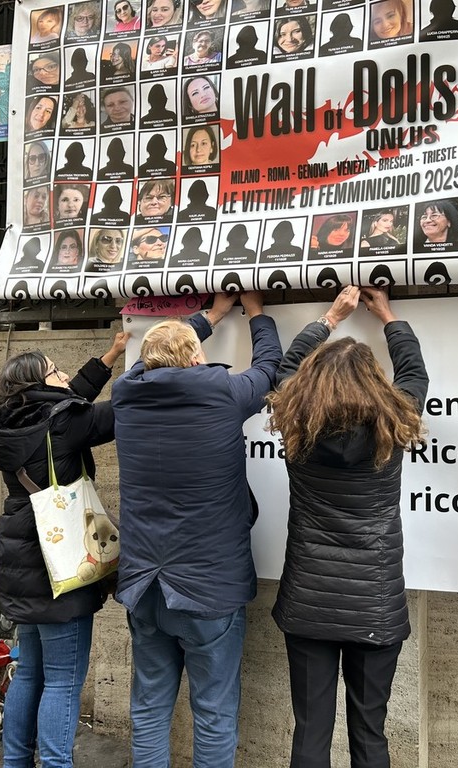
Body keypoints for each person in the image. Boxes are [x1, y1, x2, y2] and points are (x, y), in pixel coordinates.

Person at [112, 291, 281, 768]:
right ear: (195, 358)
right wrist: (256, 313)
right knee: (213, 712)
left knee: (147, 706)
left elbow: (147, 361)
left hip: (144, 585)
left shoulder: (125, 396)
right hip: (209, 590)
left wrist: (207, 318)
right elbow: (269, 366)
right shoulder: (222, 393)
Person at [268, 285, 427, 768]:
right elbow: (415, 373)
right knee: (370, 734)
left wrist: (329, 319)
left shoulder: (296, 425)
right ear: (376, 383)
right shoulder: (395, 423)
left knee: (310, 733)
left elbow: (282, 372)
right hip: (374, 606)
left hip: (309, 603)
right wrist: (390, 318)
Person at [0, 334, 128, 768]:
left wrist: (111, 355)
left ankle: (16, 762)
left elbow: (67, 402)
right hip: (57, 551)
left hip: (18, 548)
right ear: (37, 384)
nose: (64, 375)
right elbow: (111, 413)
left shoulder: (0, 423)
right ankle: (58, 764)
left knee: (30, 672)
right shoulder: (62, 423)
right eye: (55, 370)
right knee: (64, 680)